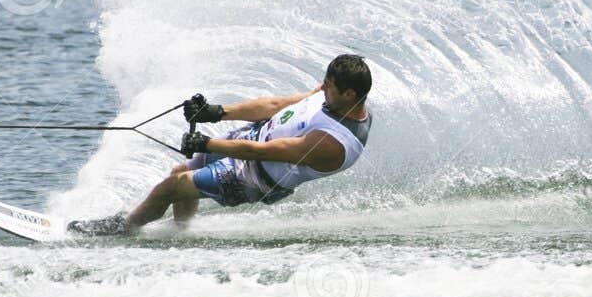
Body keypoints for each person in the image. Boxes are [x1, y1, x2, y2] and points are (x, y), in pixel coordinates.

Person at [68, 54, 373, 236]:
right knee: (178, 172)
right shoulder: (332, 95)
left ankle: (124, 229)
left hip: (256, 176)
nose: (321, 88)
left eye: (329, 87)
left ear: (349, 94)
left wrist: (207, 143)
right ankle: (179, 236)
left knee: (171, 188)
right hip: (250, 139)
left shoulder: (334, 144)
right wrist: (217, 112)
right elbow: (275, 105)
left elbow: (261, 153)